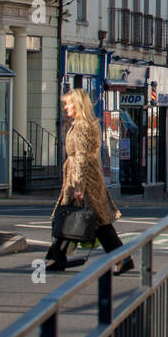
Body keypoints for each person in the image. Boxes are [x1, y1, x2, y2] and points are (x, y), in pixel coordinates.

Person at [47, 88, 134, 275]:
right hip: (83, 178)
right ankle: (56, 257)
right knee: (74, 217)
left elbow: (81, 158)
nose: (65, 107)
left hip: (85, 181)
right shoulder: (83, 124)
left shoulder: (82, 127)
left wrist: (78, 186)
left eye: (68, 103)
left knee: (89, 220)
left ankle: (122, 258)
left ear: (78, 104)